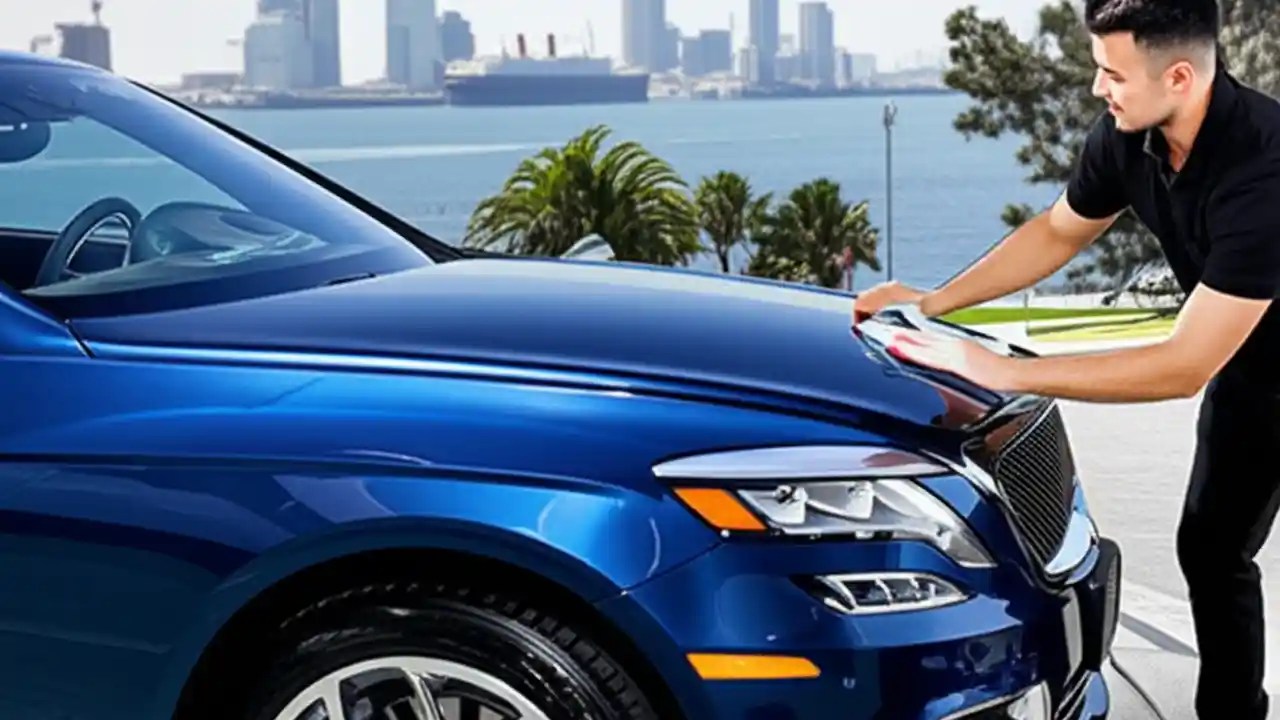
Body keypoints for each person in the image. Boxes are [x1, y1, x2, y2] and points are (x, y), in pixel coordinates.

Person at [852, 1, 1280, 717]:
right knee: (1211, 549)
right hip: (1256, 371)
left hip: (1236, 354)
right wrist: (935, 302)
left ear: (1179, 77)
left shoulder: (1265, 171)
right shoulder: (1127, 136)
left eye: (1113, 74)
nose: (1096, 88)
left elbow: (1183, 365)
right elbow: (1058, 232)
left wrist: (1006, 371)